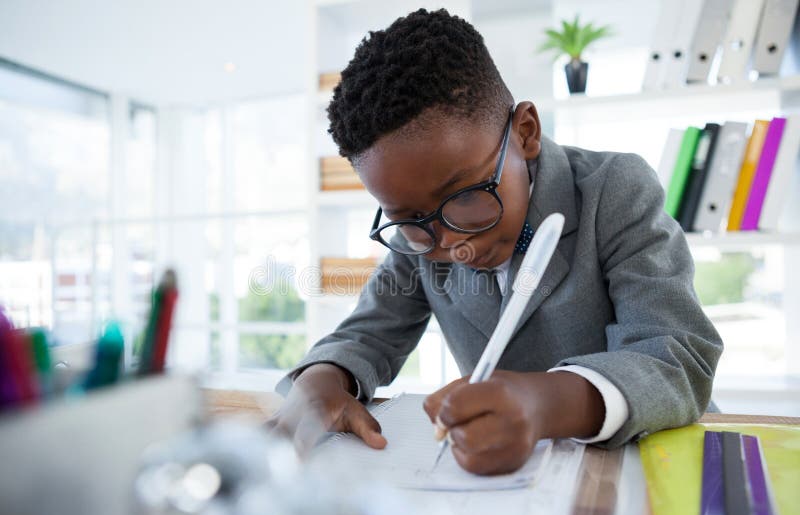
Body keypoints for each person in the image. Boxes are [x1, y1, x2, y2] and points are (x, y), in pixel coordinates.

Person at [269, 8, 723, 475]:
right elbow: (367, 333)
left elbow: (678, 356)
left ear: (525, 133)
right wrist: (322, 379)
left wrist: (545, 402)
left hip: (654, 462)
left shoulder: (614, 191)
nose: (451, 243)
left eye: (467, 196)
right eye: (409, 221)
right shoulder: (421, 240)